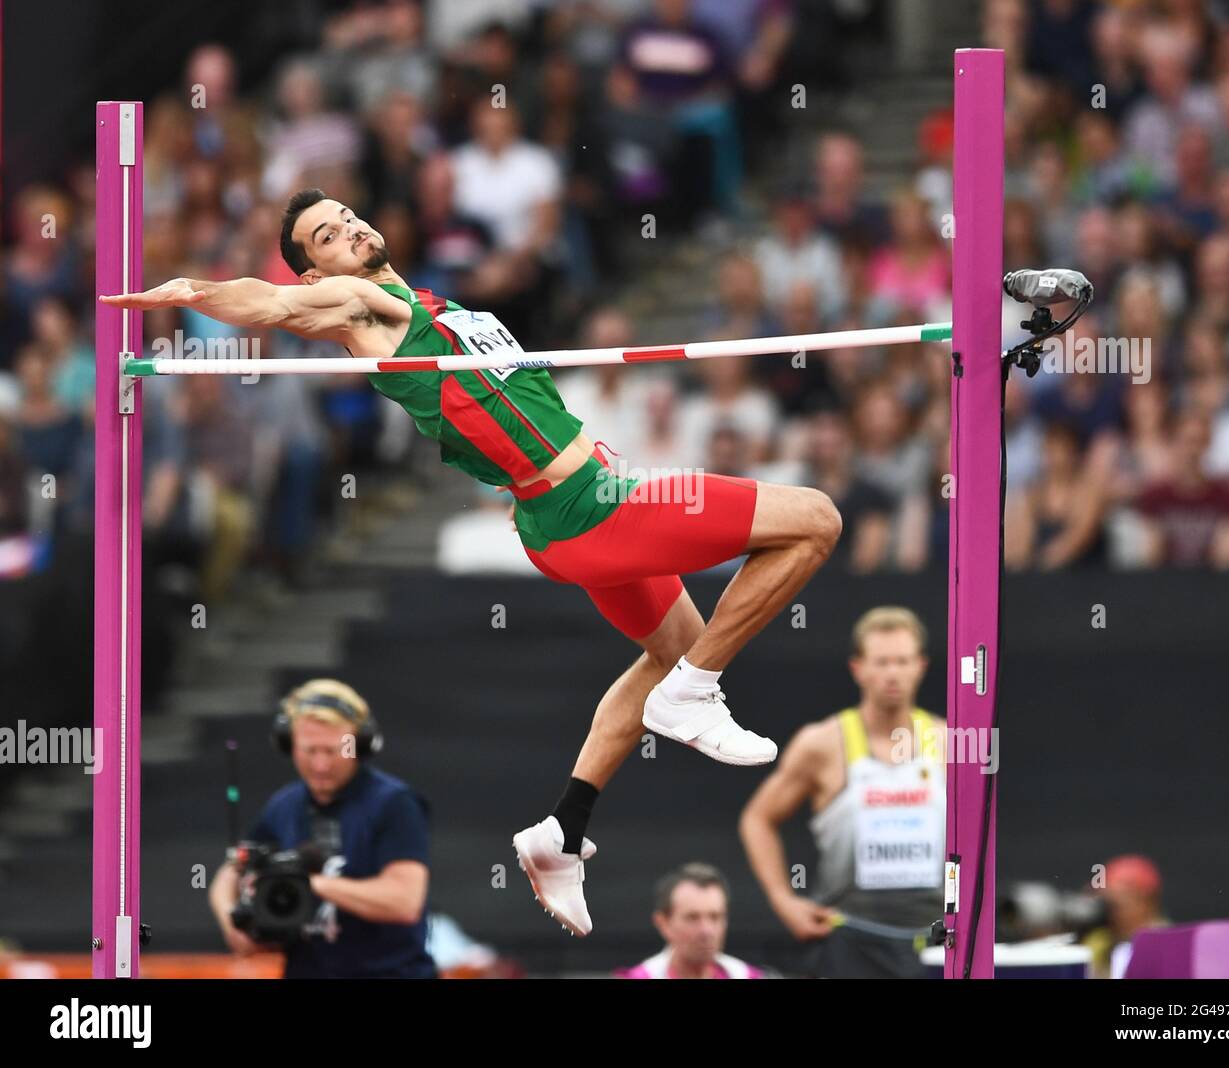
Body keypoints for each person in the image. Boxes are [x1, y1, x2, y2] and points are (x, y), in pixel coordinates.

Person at [105, 190, 842, 938]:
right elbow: (271, 304)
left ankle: (561, 831)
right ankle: (695, 694)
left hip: (581, 505)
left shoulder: (426, 300)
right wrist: (197, 293)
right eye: (325, 236)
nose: (350, 229)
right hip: (591, 506)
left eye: (348, 216)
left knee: (673, 652)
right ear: (314, 273)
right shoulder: (366, 310)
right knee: (814, 519)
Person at [739, 606, 946, 978]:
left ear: (921, 666)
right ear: (858, 668)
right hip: (851, 940)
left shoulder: (949, 742)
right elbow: (758, 818)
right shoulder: (822, 743)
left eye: (902, 661)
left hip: (937, 940)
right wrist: (783, 900)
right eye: (881, 662)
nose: (892, 673)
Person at [207, 679, 435, 978]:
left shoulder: (394, 804)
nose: (321, 764)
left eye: (332, 751)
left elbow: (405, 901)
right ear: (289, 744)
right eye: (310, 750)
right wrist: (233, 923)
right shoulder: (283, 806)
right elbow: (229, 872)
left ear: (360, 744)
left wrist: (308, 884)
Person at [614, 863, 766, 979]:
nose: (707, 931)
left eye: (715, 917)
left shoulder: (749, 976)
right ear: (663, 924)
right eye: (692, 918)